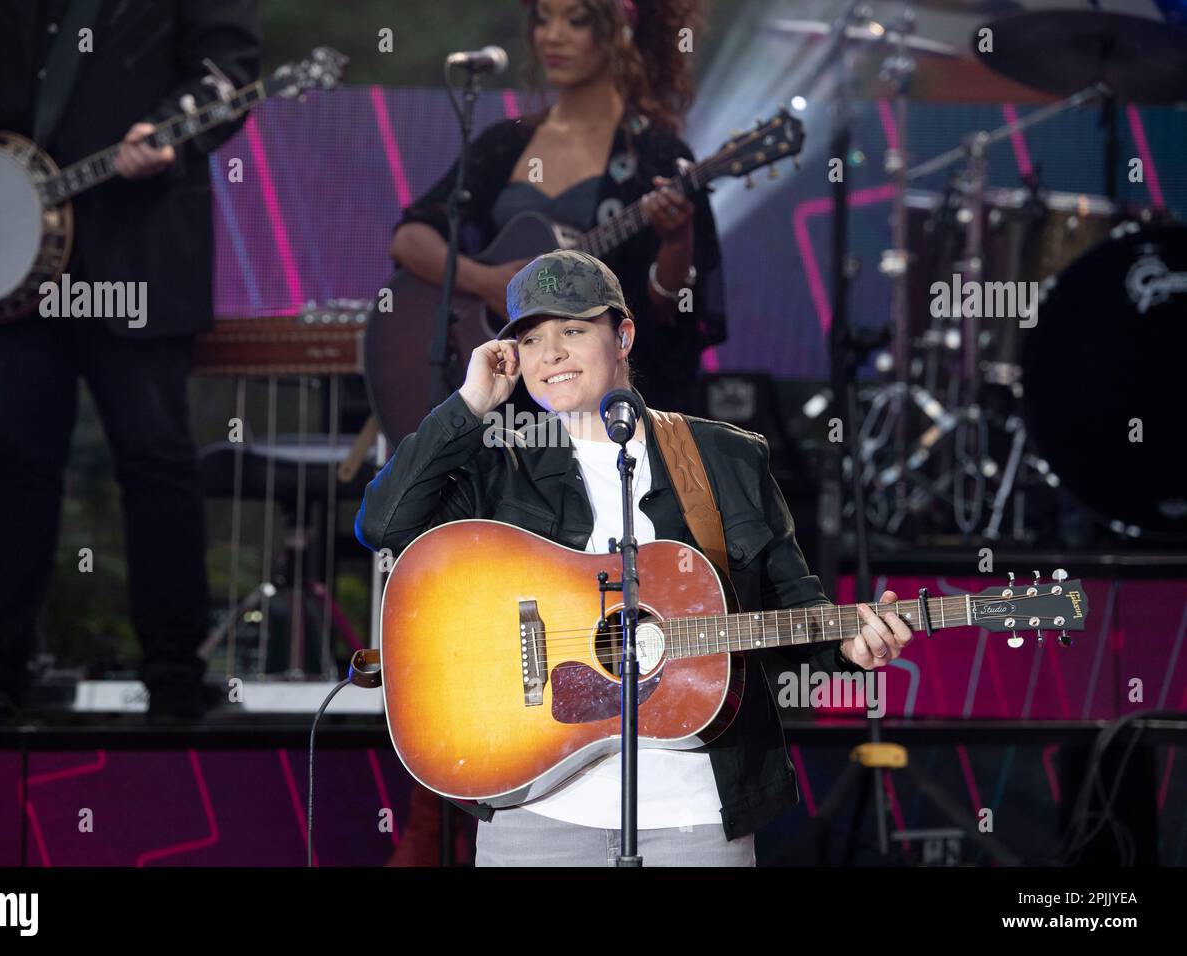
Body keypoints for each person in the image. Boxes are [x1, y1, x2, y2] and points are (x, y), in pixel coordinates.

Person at [356, 250, 914, 866]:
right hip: (538, 813)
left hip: (695, 818)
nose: (552, 355)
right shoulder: (499, 468)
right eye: (532, 339)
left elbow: (792, 606)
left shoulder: (722, 459)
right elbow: (383, 524)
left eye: (573, 330)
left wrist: (849, 645)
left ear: (622, 336)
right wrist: (468, 404)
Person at [0, 0, 261, 720]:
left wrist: (171, 131)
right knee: (16, 462)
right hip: (12, 251)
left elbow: (229, 69)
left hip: (139, 246)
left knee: (154, 458)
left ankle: (172, 677)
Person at [390, 0, 724, 417]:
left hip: (597, 408)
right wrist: (488, 281)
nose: (552, 35)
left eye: (576, 20)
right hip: (500, 399)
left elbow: (666, 311)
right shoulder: (504, 144)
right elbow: (410, 238)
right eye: (543, 19)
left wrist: (677, 242)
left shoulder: (658, 157)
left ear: (618, 32)